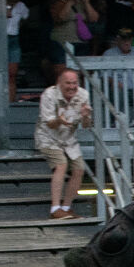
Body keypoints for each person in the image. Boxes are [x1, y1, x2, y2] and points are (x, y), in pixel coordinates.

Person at [36, 68, 92, 219]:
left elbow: (86, 125)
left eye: (74, 83)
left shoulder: (83, 95)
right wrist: (59, 121)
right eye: (68, 83)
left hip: (69, 140)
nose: (72, 87)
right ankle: (55, 208)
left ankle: (66, 208)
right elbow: (49, 124)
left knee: (79, 169)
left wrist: (86, 117)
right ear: (59, 83)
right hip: (48, 138)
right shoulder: (49, 94)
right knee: (61, 164)